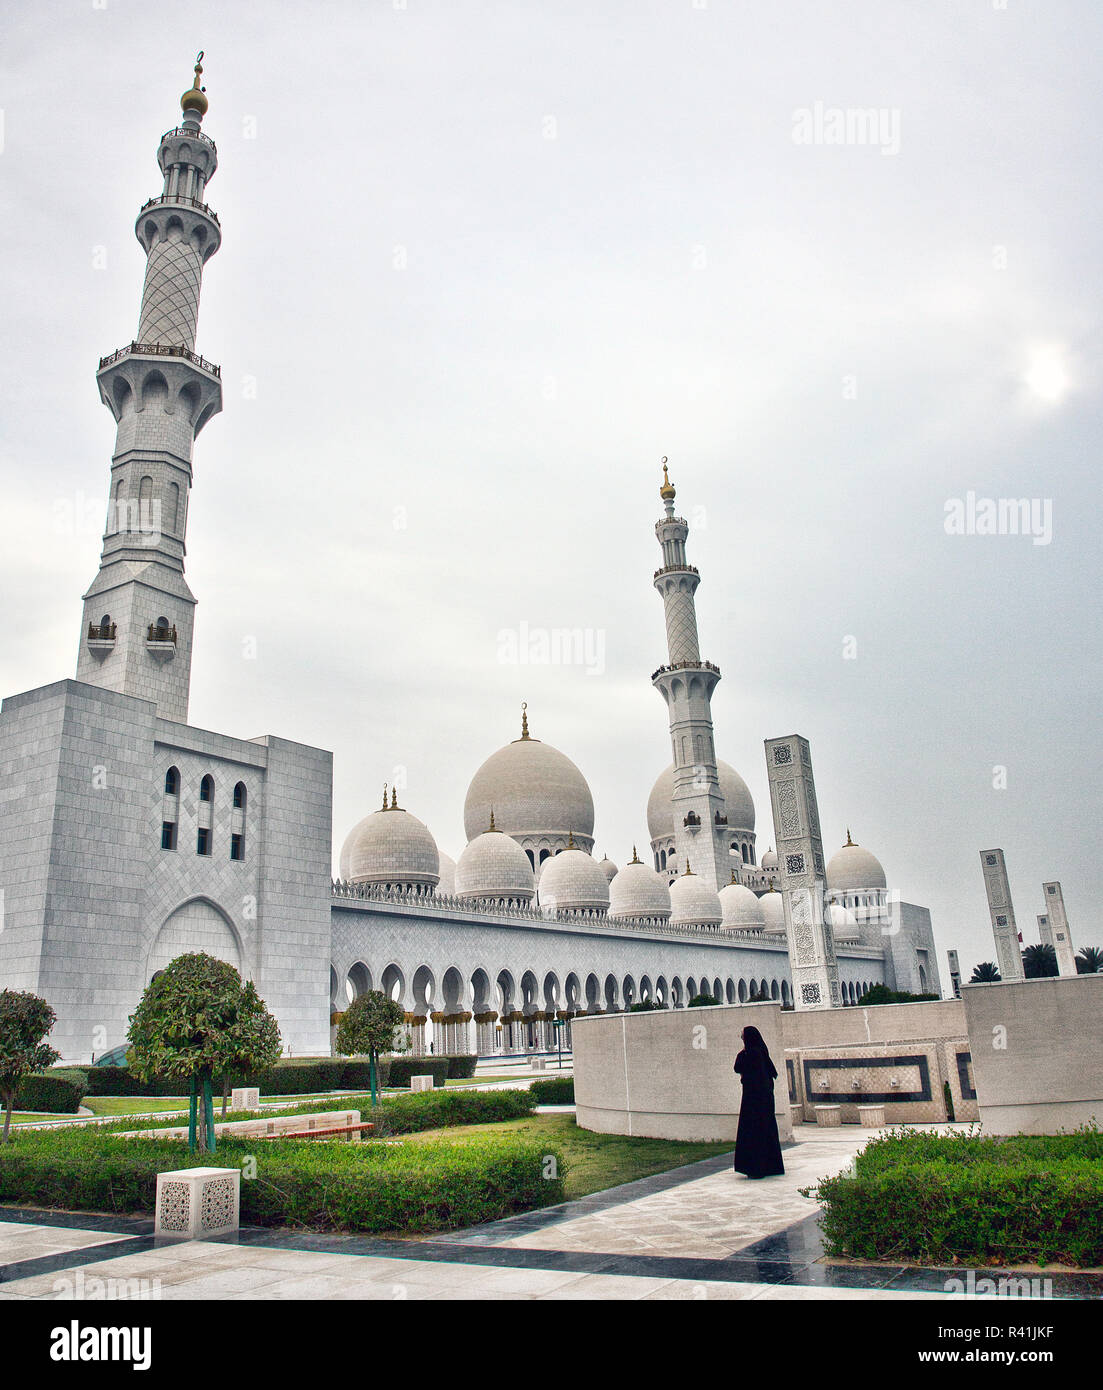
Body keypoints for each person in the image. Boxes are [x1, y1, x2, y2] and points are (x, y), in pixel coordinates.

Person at [732, 1025, 785, 1178]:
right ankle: (770, 1166)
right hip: (765, 1100)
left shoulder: (750, 1054)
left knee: (754, 1132)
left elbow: (738, 1067)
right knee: (766, 1130)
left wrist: (743, 1052)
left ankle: (756, 1168)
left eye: (742, 1036)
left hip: (753, 1101)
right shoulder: (761, 1052)